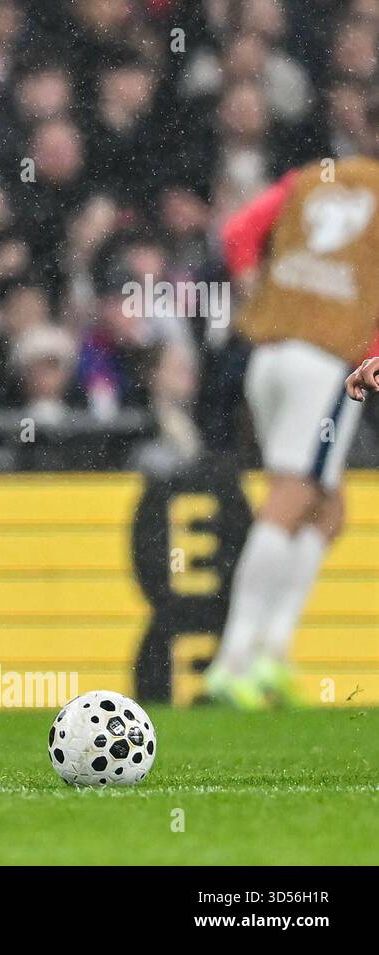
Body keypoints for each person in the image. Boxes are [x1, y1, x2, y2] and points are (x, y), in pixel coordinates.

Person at [208, 95, 379, 709]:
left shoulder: (310, 180)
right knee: (293, 495)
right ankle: (234, 662)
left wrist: (259, 284)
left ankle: (273, 652)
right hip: (328, 361)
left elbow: (236, 234)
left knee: (328, 510)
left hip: (268, 353)